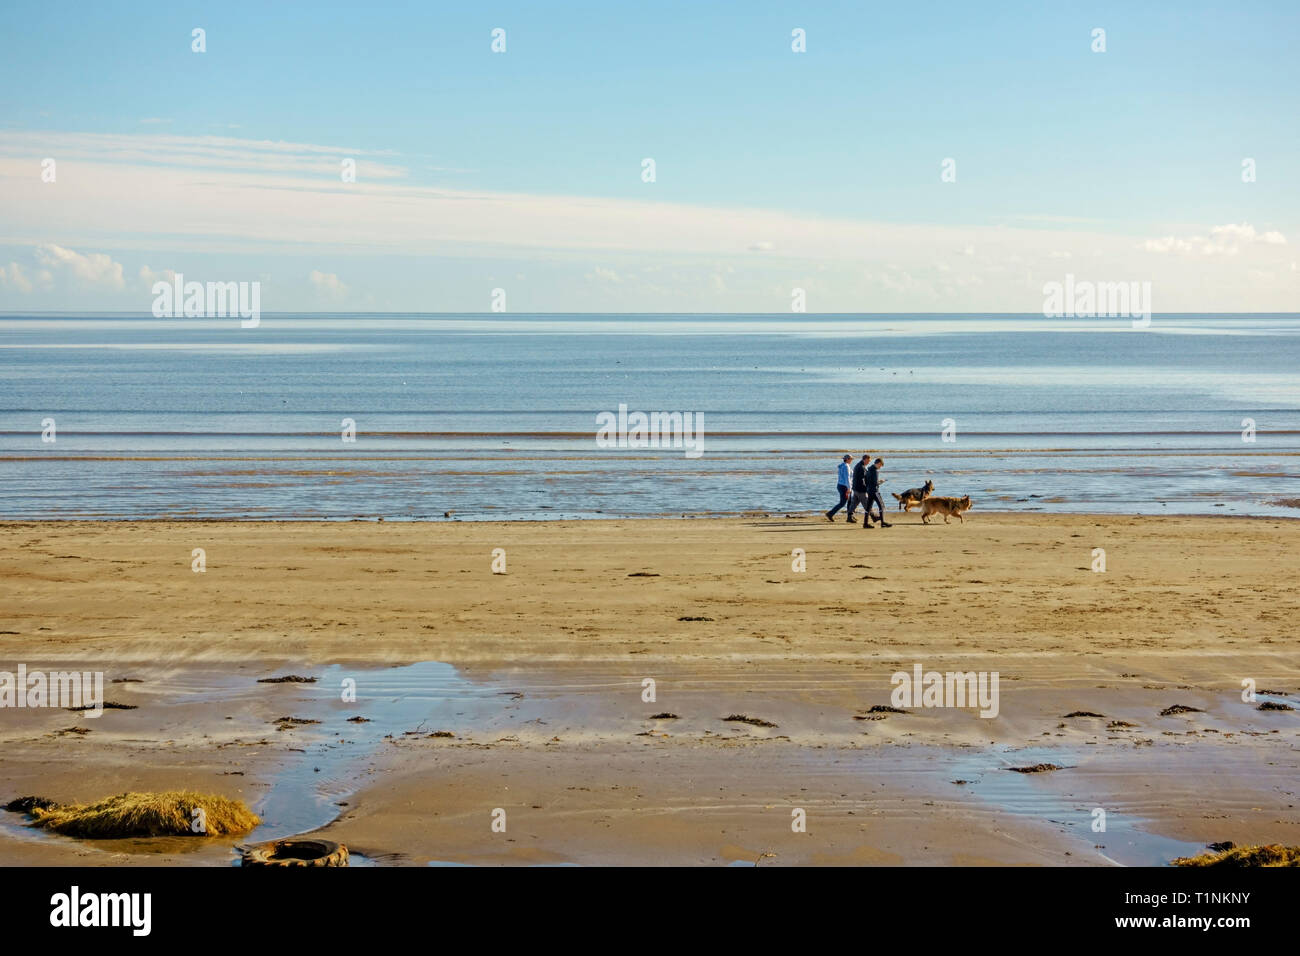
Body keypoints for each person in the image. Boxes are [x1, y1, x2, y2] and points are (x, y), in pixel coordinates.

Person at [863, 457, 892, 528]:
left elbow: (866, 481)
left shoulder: (868, 469)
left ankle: (865, 523)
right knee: (881, 506)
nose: (880, 467)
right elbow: (875, 483)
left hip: (869, 490)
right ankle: (883, 523)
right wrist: (881, 481)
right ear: (878, 463)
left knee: (868, 508)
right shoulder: (875, 471)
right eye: (880, 465)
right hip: (875, 491)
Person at [826, 454, 855, 522]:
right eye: (851, 459)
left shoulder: (843, 465)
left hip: (841, 485)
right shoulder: (846, 466)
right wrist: (849, 488)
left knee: (850, 502)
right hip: (844, 486)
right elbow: (847, 478)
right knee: (843, 503)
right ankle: (830, 513)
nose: (851, 460)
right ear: (847, 459)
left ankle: (850, 517)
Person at [851, 453, 874, 527]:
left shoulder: (860, 465)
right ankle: (874, 516)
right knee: (867, 504)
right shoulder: (861, 467)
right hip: (860, 489)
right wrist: (867, 488)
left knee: (854, 503)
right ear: (865, 459)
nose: (869, 462)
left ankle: (849, 516)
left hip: (855, 488)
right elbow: (862, 480)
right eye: (868, 460)